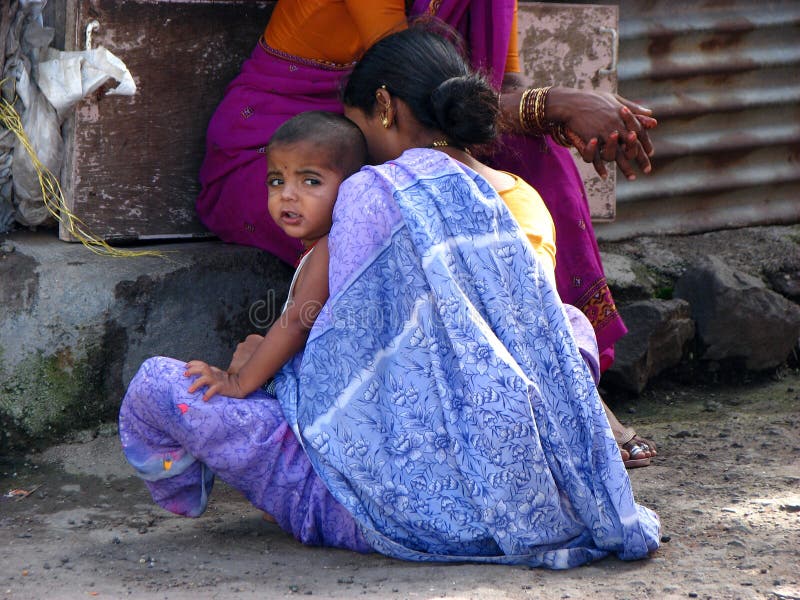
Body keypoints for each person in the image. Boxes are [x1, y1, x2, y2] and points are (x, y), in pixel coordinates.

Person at [120, 25, 660, 568]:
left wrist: (250, 374)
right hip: (524, 482)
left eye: (356, 127)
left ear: (383, 106)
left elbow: (336, 354)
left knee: (160, 387)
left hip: (382, 497)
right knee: (568, 322)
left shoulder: (371, 193)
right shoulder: (512, 194)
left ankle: (196, 486)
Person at [197, 0, 657, 465]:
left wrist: (556, 107)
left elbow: (493, 90)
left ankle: (566, 389)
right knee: (374, 213)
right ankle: (558, 396)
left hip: (404, 126)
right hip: (296, 144)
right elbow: (407, 92)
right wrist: (557, 102)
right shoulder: (375, 145)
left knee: (542, 158)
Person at [184, 110, 366, 402]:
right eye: (277, 181)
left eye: (311, 181)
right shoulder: (319, 247)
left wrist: (238, 382)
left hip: (318, 396)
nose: (288, 195)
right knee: (254, 344)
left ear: (352, 188)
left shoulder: (330, 248)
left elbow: (297, 323)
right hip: (311, 377)